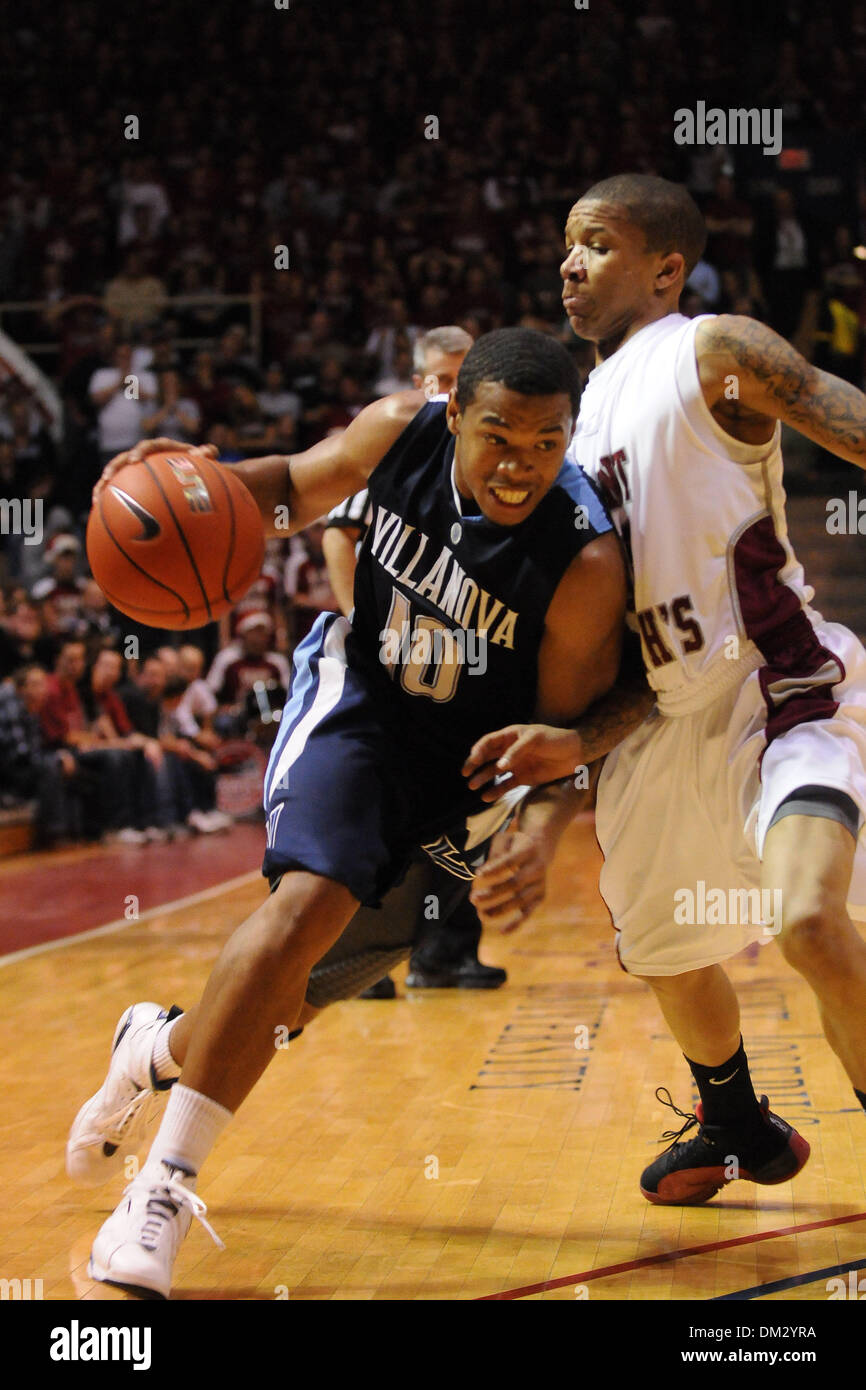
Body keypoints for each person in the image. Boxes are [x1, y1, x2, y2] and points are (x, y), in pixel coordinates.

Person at [67, 327, 627, 1298]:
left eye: (545, 443)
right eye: (498, 436)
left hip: (459, 791)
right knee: (308, 901)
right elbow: (285, 484)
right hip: (357, 705)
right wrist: (173, 481)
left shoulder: (580, 562)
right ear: (453, 414)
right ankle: (157, 1195)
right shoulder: (393, 433)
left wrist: (538, 833)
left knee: (287, 1006)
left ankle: (149, 1046)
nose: (519, 465)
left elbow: (562, 731)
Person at [465, 173, 866, 1209]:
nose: (567, 263)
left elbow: (846, 420)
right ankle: (730, 1117)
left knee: (807, 921)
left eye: (593, 243)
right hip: (652, 718)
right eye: (562, 244)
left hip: (774, 688)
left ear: (661, 268)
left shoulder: (708, 349)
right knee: (661, 945)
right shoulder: (569, 419)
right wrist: (551, 792)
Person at [323, 324, 506, 996]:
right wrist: (360, 619)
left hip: (466, 655)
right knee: (375, 809)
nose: (451, 388)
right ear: (420, 380)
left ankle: (442, 954)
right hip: (398, 651)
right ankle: (360, 962)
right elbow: (339, 533)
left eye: (464, 376)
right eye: (442, 377)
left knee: (459, 814)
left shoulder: (492, 451)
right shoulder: (397, 437)